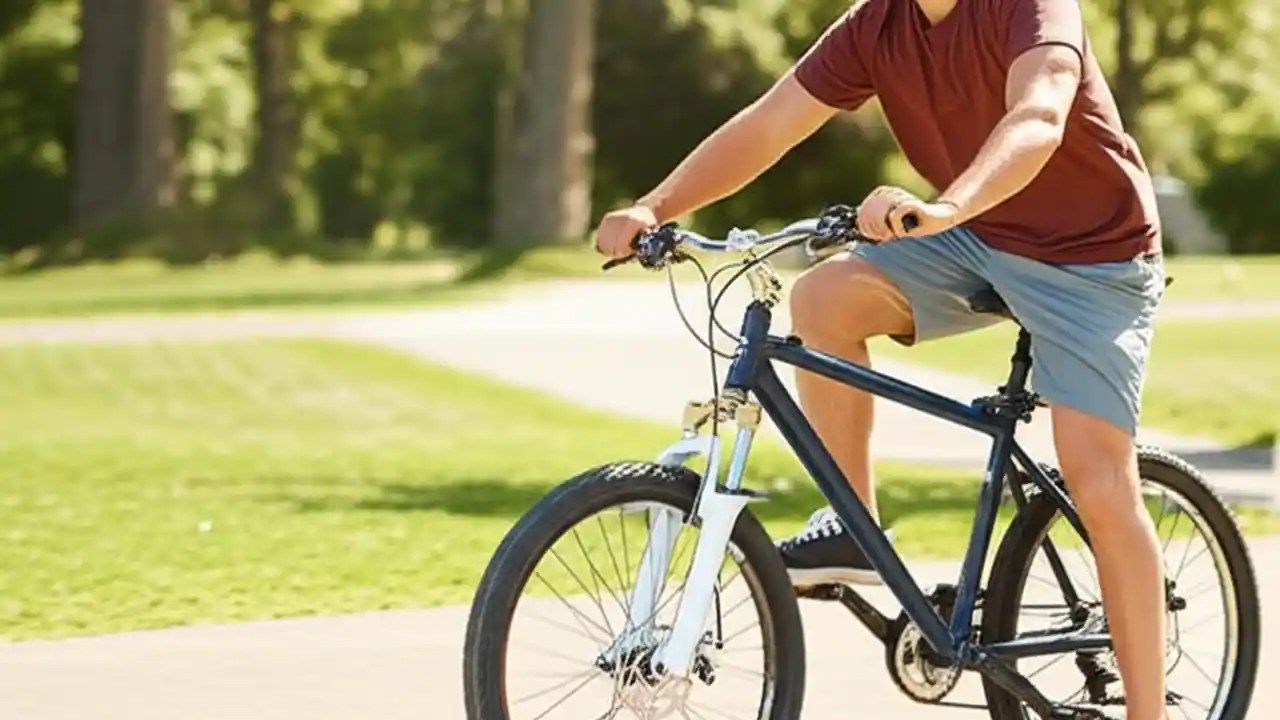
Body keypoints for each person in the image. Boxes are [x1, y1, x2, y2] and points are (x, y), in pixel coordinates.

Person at [594, 0, 1169, 716]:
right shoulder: (878, 24)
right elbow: (772, 122)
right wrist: (657, 206)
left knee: (1100, 483)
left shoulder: (1031, 7)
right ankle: (856, 529)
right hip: (975, 234)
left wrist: (946, 208)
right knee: (825, 298)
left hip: (1092, 257)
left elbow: (1038, 117)